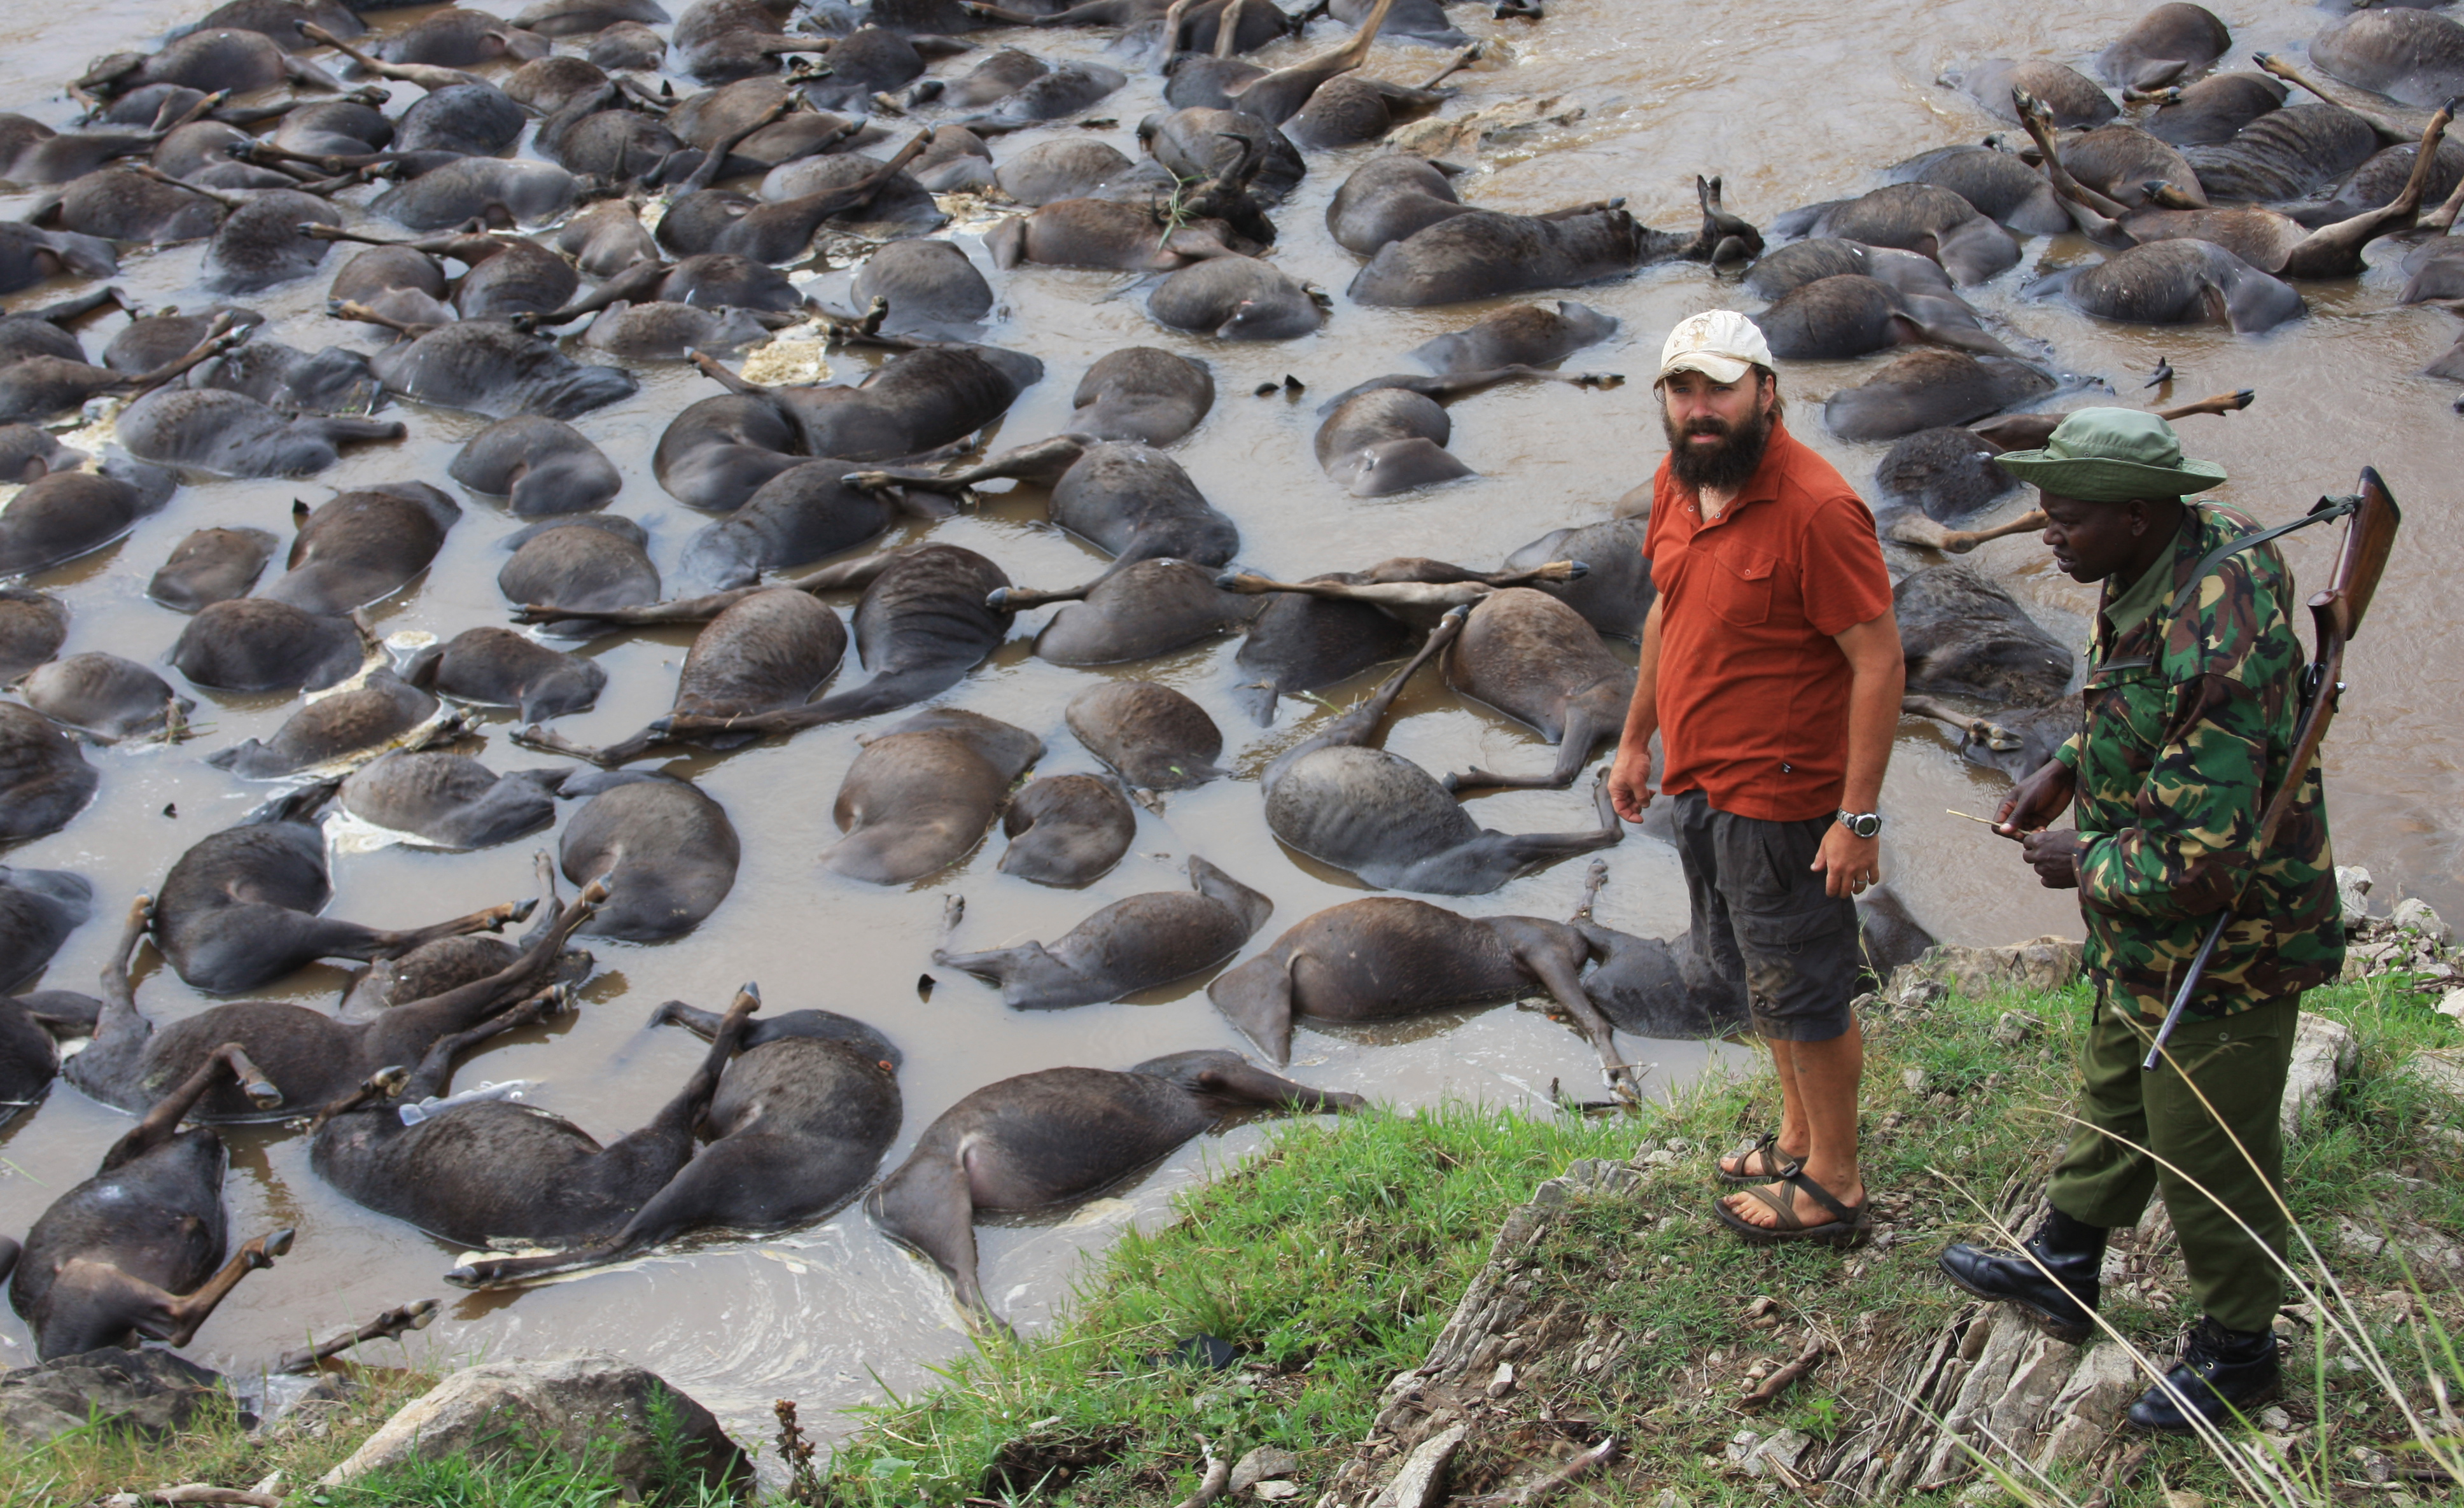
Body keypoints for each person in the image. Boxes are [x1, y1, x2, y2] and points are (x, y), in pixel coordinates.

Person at [1936, 408, 2343, 1432]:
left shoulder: (2223, 629)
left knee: (2207, 1142)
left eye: (2065, 516)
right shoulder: (2157, 563)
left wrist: (2086, 859)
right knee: (2122, 1074)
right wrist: (2067, 769)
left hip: (2230, 941)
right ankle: (2065, 1259)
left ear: (2136, 511)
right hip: (2151, 927)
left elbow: (2204, 859)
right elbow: (2137, 706)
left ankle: (2240, 1349)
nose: (2046, 533)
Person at [1605, 310, 1903, 1248]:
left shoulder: (1818, 510)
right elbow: (1666, 613)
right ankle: (1796, 1136)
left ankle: (1836, 1183)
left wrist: (1856, 817)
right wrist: (1635, 739)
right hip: (1704, 786)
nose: (1700, 408)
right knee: (1762, 979)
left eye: (1719, 388)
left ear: (1767, 392)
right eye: (1682, 389)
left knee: (1807, 990)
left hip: (1786, 798)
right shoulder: (1678, 483)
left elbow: (1880, 660)